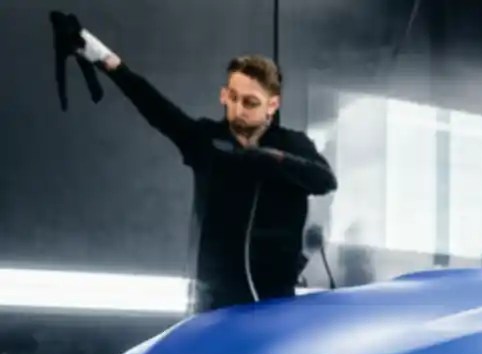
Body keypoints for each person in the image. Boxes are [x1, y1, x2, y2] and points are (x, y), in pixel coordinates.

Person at [71, 25, 337, 313]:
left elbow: (325, 181)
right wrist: (99, 54)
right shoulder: (207, 140)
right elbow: (155, 108)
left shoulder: (293, 143)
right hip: (213, 299)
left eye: (250, 102)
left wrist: (272, 159)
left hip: (274, 300)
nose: (238, 109)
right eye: (232, 98)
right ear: (224, 95)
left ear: (272, 105)